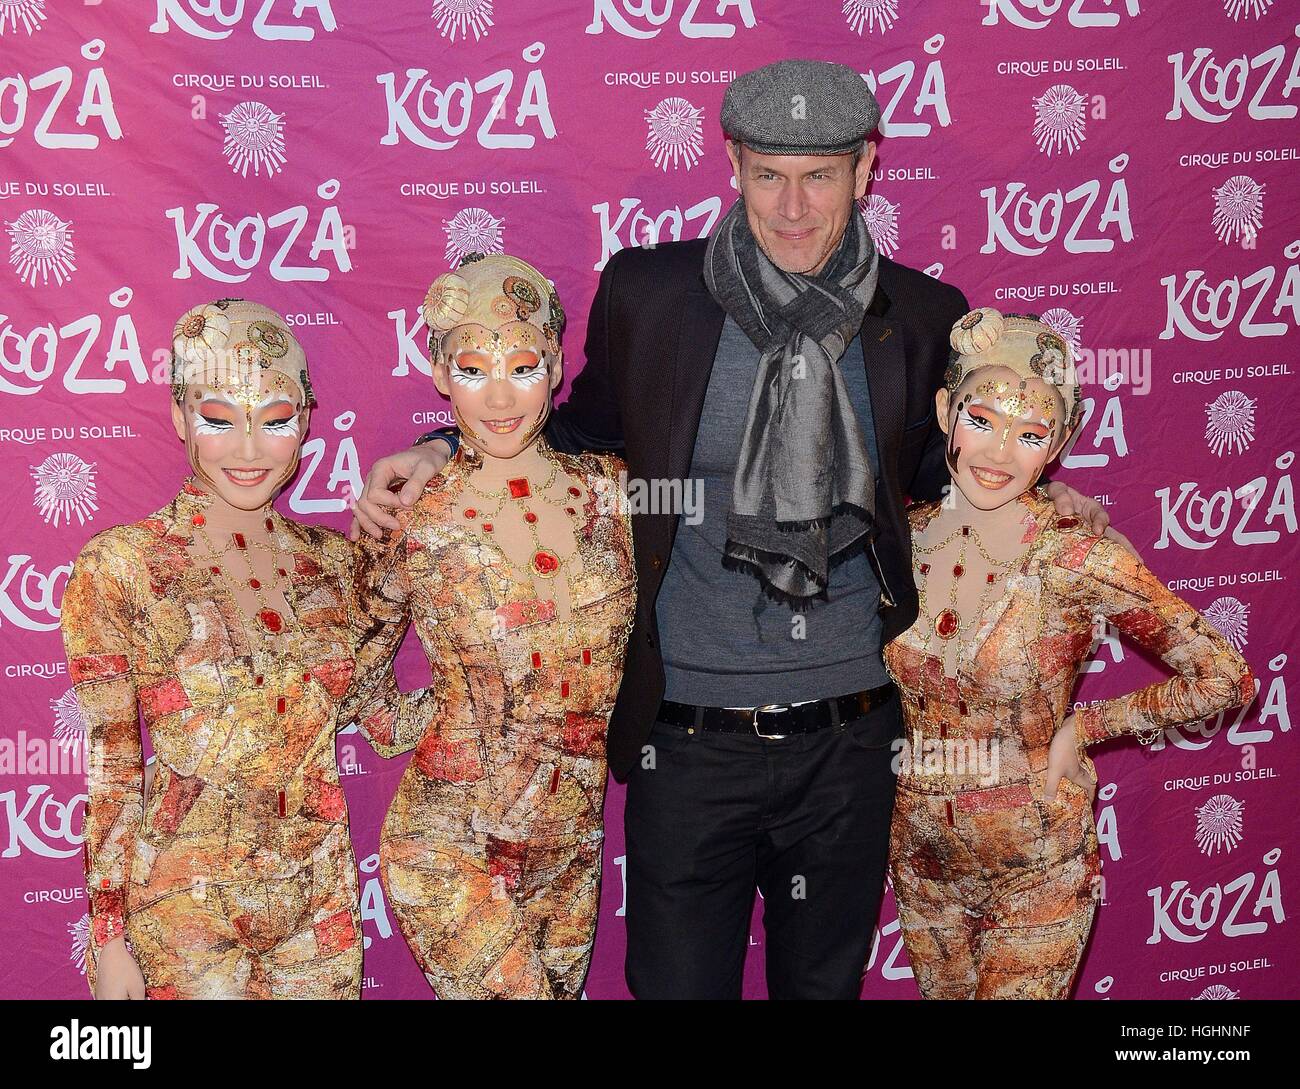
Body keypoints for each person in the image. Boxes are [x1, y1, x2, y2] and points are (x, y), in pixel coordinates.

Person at [350, 60, 1112, 999]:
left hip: (854, 737)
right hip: (687, 738)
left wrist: (1047, 505)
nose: (793, 206)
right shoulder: (651, 294)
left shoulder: (924, 318)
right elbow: (580, 428)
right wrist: (435, 444)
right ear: (733, 164)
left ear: (867, 168)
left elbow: (940, 489)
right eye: (768, 173)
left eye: (821, 174)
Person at [884, 307, 1255, 999]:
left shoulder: (1079, 555)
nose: (999, 454)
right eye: (983, 419)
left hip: (1038, 866)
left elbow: (1223, 675)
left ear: (1059, 442)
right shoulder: (895, 543)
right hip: (922, 861)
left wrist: (1081, 727)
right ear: (944, 411)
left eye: (1030, 433)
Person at [61, 299, 413, 999]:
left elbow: (383, 721)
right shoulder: (122, 566)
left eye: (275, 419)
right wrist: (107, 936)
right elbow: (112, 766)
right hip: (186, 914)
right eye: (220, 419)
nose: (249, 450)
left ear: (307, 422)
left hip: (321, 909)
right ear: (179, 414)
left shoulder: (339, 565)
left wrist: (509, 682)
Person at [352, 254, 635, 998]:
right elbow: (364, 682)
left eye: (523, 365)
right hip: (450, 847)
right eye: (474, 370)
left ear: (558, 363)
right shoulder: (409, 510)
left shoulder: (614, 493)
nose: (501, 396)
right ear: (441, 375)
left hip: (569, 852)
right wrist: (464, 715)